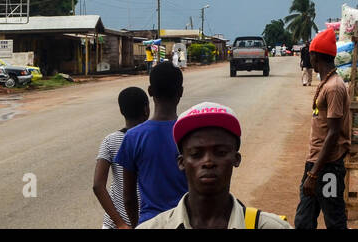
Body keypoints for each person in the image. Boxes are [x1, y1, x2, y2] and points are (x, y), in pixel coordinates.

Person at [139, 102, 290, 229]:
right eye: (196, 154)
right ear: (182, 162)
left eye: (220, 152)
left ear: (236, 159)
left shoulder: (269, 226)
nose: (208, 162)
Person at [115, 60, 185, 226]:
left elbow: (129, 197)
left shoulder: (133, 136)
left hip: (150, 221)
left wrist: (137, 224)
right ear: (181, 92)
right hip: (186, 220)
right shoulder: (188, 133)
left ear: (150, 91)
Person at [295, 26, 351, 229]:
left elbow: (334, 133)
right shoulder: (327, 84)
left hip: (327, 168)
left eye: (310, 54)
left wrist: (314, 174)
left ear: (314, 56)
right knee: (303, 220)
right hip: (316, 163)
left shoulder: (334, 87)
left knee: (334, 220)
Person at [92, 86, 149, 229]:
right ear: (146, 110)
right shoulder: (150, 139)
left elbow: (98, 185)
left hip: (114, 223)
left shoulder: (110, 140)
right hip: (146, 221)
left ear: (121, 111)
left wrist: (120, 223)